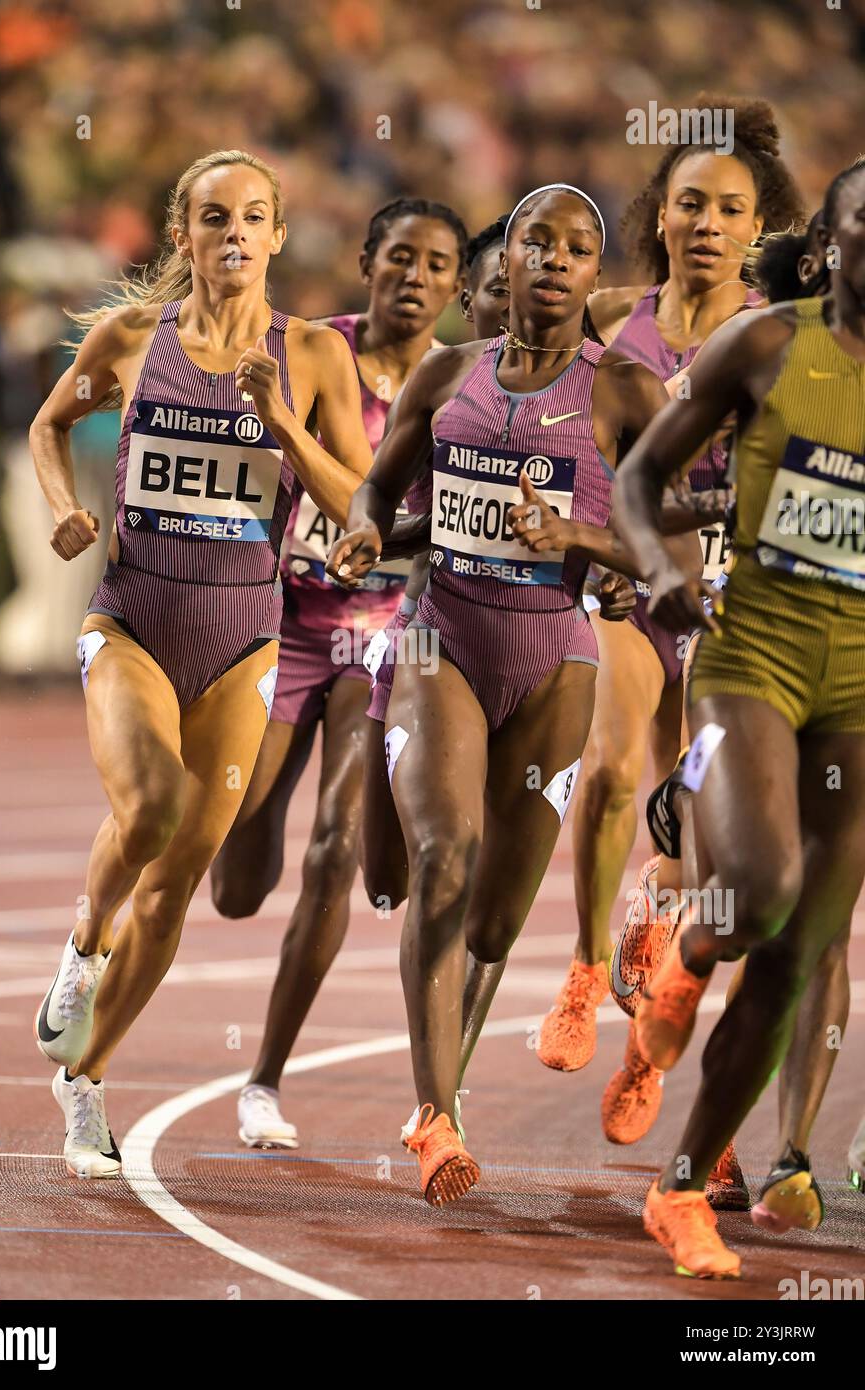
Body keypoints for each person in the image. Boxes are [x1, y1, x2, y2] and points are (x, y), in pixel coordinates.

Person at [30, 149, 374, 1178]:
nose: (234, 233)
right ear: (183, 235)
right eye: (214, 216)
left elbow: (360, 501)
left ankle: (84, 1085)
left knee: (180, 881)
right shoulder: (135, 339)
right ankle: (83, 947)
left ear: (276, 236)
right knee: (147, 810)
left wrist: (281, 428)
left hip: (243, 641)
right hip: (132, 617)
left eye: (254, 216)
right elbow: (52, 426)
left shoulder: (312, 355)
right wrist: (65, 510)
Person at [329, 184, 671, 1205]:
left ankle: (388, 831)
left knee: (490, 923)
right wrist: (358, 527)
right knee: (442, 861)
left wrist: (589, 544)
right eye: (537, 241)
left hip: (555, 661)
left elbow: (674, 546)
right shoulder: (448, 372)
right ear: (507, 259)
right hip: (443, 638)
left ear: (591, 274)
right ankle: (437, 1114)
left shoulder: (623, 392)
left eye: (577, 248)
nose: (556, 260)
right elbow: (378, 493)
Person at [615, 157, 865, 1278]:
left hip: (861, 686)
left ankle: (683, 1189)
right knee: (758, 896)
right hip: (751, 655)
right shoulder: (768, 344)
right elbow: (638, 477)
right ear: (830, 240)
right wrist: (661, 567)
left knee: (804, 944)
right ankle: (687, 938)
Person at [539, 97, 804, 1075]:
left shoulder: (777, 336)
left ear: (755, 227)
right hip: (625, 589)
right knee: (610, 768)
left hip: (730, 601)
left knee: (691, 820)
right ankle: (577, 968)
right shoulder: (610, 324)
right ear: (659, 216)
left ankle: (650, 910)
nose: (707, 225)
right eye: (691, 204)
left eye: (730, 210)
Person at [205, 198, 467, 1149]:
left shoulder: (464, 386)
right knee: (236, 879)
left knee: (334, 847)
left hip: (386, 632)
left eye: (437, 265)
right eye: (400, 258)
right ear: (368, 262)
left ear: (458, 285)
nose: (415, 277)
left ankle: (264, 1081)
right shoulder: (318, 352)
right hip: (287, 619)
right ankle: (255, 811)